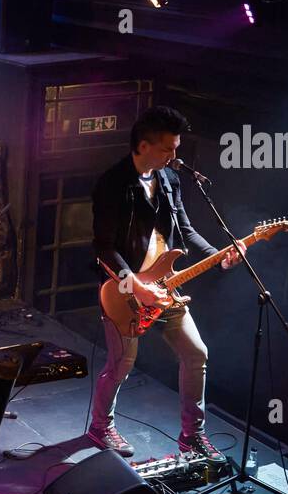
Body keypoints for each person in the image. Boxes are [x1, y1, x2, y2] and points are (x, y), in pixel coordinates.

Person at [89, 106, 244, 463]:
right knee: (121, 365)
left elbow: (185, 231)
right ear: (143, 146)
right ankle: (100, 427)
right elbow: (104, 247)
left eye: (176, 149)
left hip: (166, 289)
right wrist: (136, 286)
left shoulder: (170, 181)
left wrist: (217, 255)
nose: (174, 157)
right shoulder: (113, 183)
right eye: (167, 150)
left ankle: (193, 436)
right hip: (124, 291)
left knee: (196, 354)